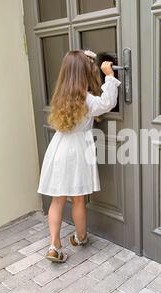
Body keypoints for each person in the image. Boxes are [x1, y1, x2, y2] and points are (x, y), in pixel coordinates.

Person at [37, 50, 121, 263]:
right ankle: (80, 237)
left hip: (58, 148)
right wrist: (109, 76)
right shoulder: (87, 100)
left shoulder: (60, 96)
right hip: (77, 152)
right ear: (84, 72)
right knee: (78, 199)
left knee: (57, 200)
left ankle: (54, 246)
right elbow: (108, 102)